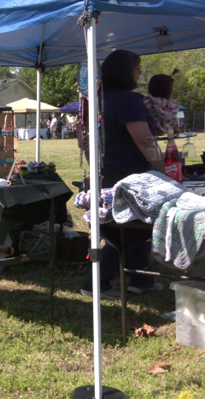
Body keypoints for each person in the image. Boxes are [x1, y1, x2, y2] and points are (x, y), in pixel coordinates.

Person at [80, 49, 165, 301]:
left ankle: (141, 278)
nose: (140, 71)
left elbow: (85, 142)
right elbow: (143, 139)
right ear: (125, 70)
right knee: (125, 230)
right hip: (131, 173)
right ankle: (96, 283)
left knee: (140, 224)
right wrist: (163, 172)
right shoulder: (129, 100)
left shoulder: (98, 99)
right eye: (137, 66)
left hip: (108, 170)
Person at [143, 70, 180, 135]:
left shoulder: (147, 101)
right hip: (166, 130)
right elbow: (174, 119)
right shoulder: (173, 105)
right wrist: (176, 128)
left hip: (149, 131)